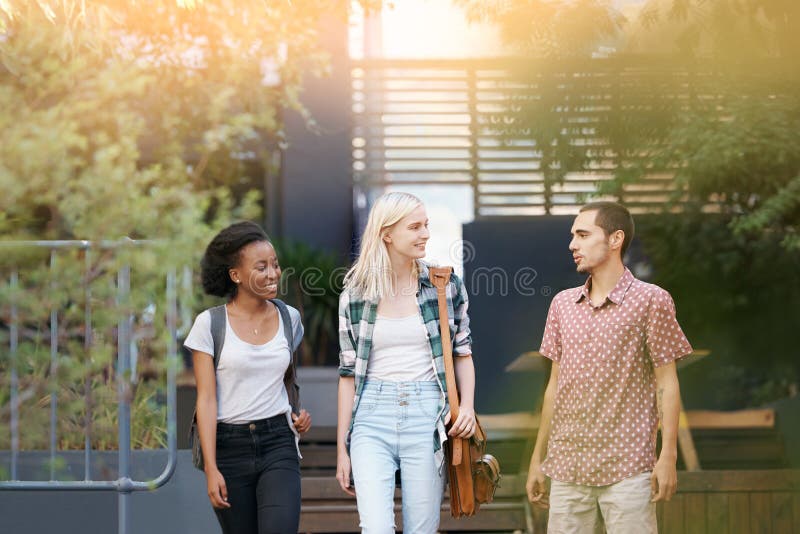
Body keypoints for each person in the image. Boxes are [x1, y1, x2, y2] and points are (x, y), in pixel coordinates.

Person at [526, 201, 692, 534]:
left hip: (628, 468)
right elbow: (554, 387)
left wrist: (668, 456)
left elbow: (667, 382)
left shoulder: (652, 300)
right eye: (573, 235)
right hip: (566, 467)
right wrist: (537, 459)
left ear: (615, 239)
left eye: (583, 234)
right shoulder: (562, 305)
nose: (573, 244)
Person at [336, 192, 477, 533]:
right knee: (376, 528)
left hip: (428, 415)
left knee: (422, 529)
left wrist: (468, 407)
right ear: (386, 233)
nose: (425, 234)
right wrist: (343, 447)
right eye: (414, 227)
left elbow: (463, 353)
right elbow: (347, 375)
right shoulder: (355, 293)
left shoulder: (444, 285)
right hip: (371, 416)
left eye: (426, 225)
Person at [184, 221, 312, 534]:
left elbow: (280, 378)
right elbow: (206, 398)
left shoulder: (289, 318)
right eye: (261, 267)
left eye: (275, 264)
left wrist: (297, 413)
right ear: (236, 275)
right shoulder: (209, 325)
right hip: (229, 447)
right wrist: (211, 468)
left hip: (278, 442)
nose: (273, 273)